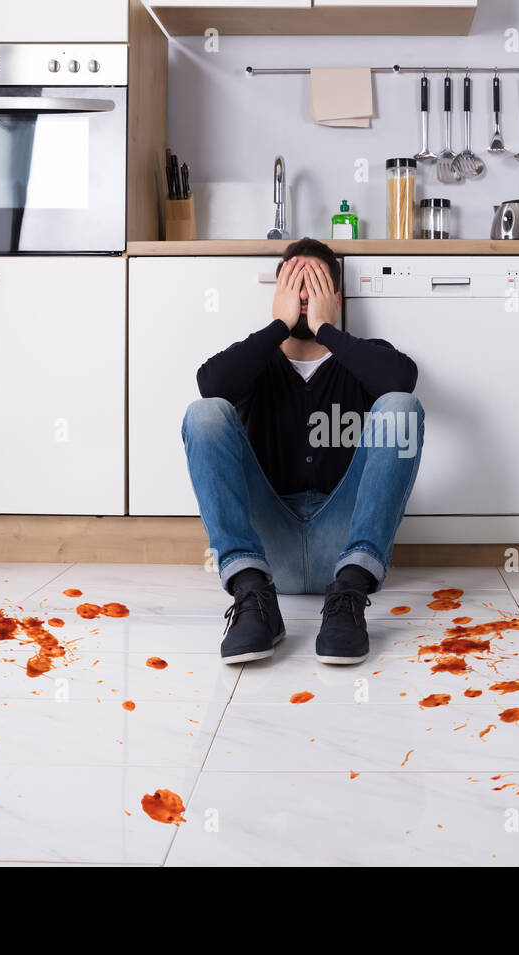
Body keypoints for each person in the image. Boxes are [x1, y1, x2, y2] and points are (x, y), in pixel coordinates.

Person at [181, 237, 423, 665]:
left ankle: (349, 596)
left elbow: (402, 381)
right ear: (279, 296)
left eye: (314, 284)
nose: (305, 296)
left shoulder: (364, 357)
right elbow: (210, 385)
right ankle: (253, 598)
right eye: (295, 285)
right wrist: (278, 325)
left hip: (344, 546)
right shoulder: (256, 361)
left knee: (401, 408)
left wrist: (328, 330)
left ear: (336, 297)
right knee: (204, 413)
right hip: (268, 550)